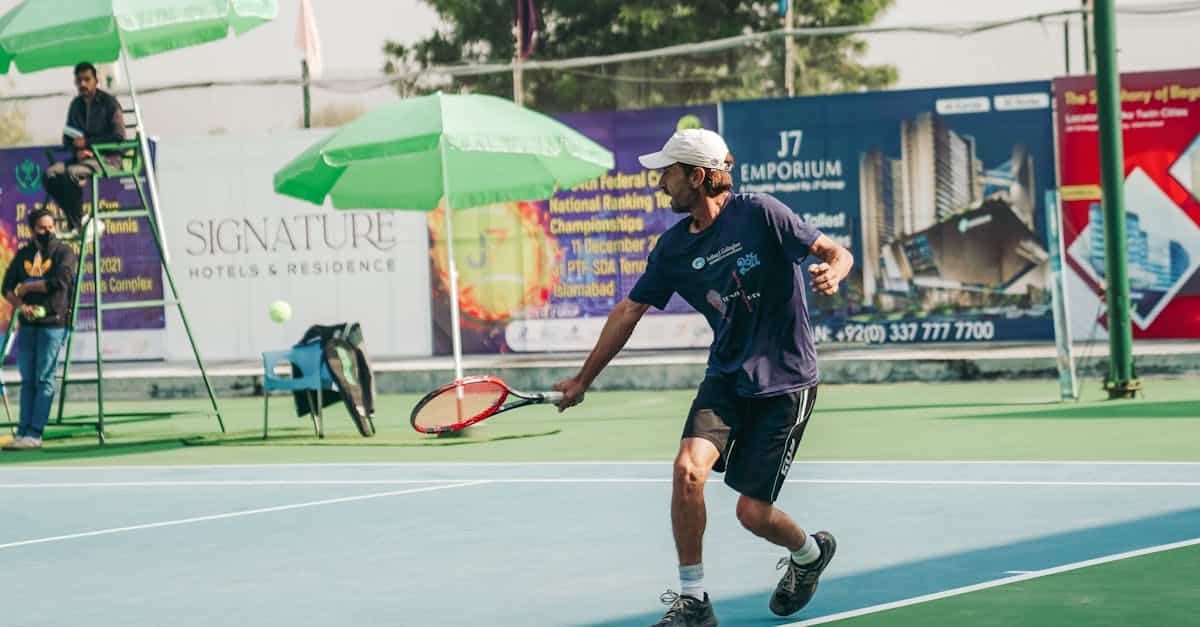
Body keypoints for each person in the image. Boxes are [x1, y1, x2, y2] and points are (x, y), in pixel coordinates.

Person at [552, 129, 854, 626]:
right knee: (687, 471)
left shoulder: (762, 214)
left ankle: (809, 555)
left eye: (668, 173)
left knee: (752, 515)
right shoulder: (672, 248)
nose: (660, 183)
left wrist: (834, 273)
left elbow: (835, 253)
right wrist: (583, 380)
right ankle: (694, 602)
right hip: (726, 377)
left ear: (697, 176)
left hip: (785, 381)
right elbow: (629, 311)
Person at [1, 209, 78, 451]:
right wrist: (21, 306)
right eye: (42, 228)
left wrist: (28, 287)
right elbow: (6, 287)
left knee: (44, 379)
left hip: (53, 324)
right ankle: (22, 432)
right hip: (28, 325)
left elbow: (61, 282)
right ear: (32, 230)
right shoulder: (24, 254)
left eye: (50, 226)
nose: (48, 231)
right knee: (28, 381)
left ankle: (35, 433)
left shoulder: (64, 252)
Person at [43, 61, 126, 237]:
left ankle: (76, 224)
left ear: (96, 80)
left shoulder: (109, 104)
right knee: (50, 174)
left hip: (107, 159)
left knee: (71, 173)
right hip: (81, 159)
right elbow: (67, 138)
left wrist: (89, 145)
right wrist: (77, 151)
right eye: (79, 80)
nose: (83, 84)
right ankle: (77, 220)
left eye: (87, 79)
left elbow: (119, 137)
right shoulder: (76, 105)